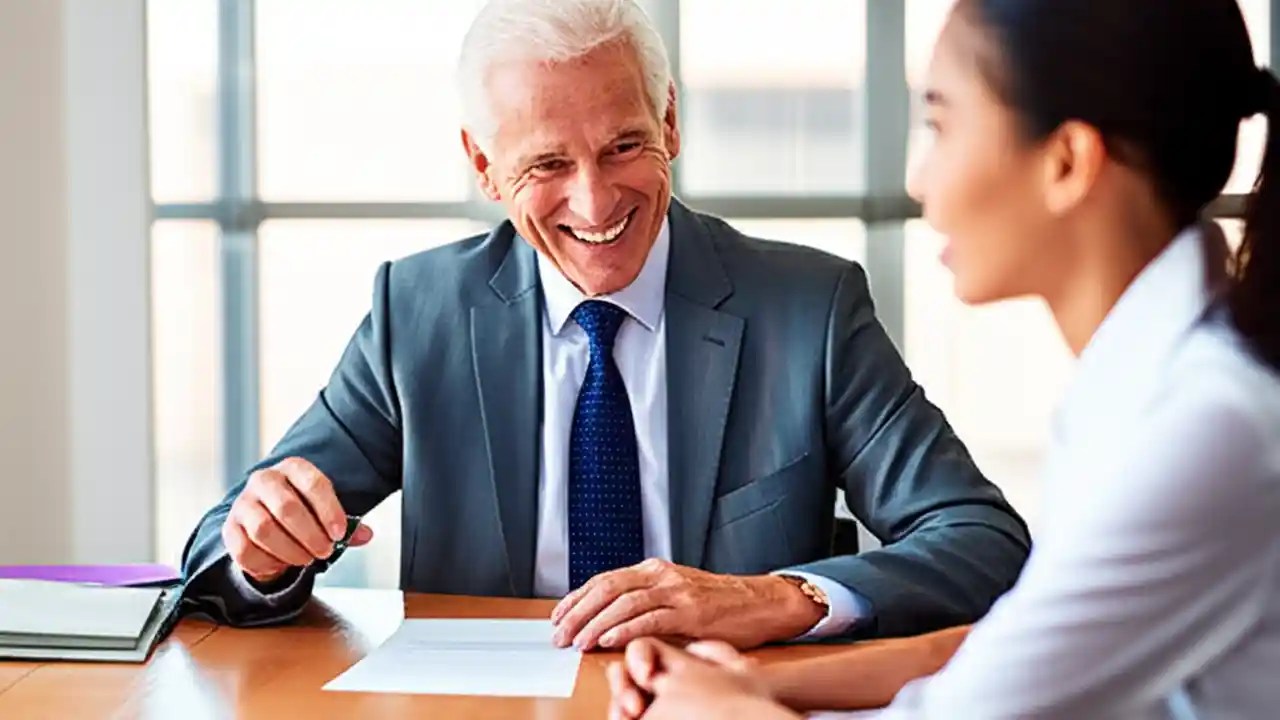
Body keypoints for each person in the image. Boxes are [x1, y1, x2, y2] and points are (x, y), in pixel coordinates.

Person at [179, 0, 1030, 650]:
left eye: (624, 145)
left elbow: (984, 542)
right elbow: (221, 546)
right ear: (484, 165)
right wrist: (264, 551)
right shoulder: (419, 313)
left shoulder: (809, 307)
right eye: (547, 162)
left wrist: (779, 596)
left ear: (670, 122)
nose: (595, 201)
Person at [606, 0, 1280, 717]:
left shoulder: (1206, 432)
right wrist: (750, 683)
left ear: (1066, 162)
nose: (921, 180)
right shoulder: (1152, 385)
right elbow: (1003, 650)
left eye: (941, 125)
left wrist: (715, 711)